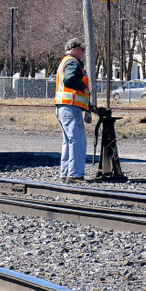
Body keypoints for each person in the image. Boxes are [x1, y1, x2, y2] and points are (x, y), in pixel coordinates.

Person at [53, 38, 91, 183]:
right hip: (70, 106)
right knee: (78, 141)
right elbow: (69, 80)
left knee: (68, 141)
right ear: (74, 49)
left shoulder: (65, 61)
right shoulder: (72, 62)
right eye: (81, 49)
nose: (83, 52)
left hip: (64, 107)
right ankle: (75, 175)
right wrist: (83, 87)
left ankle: (65, 173)